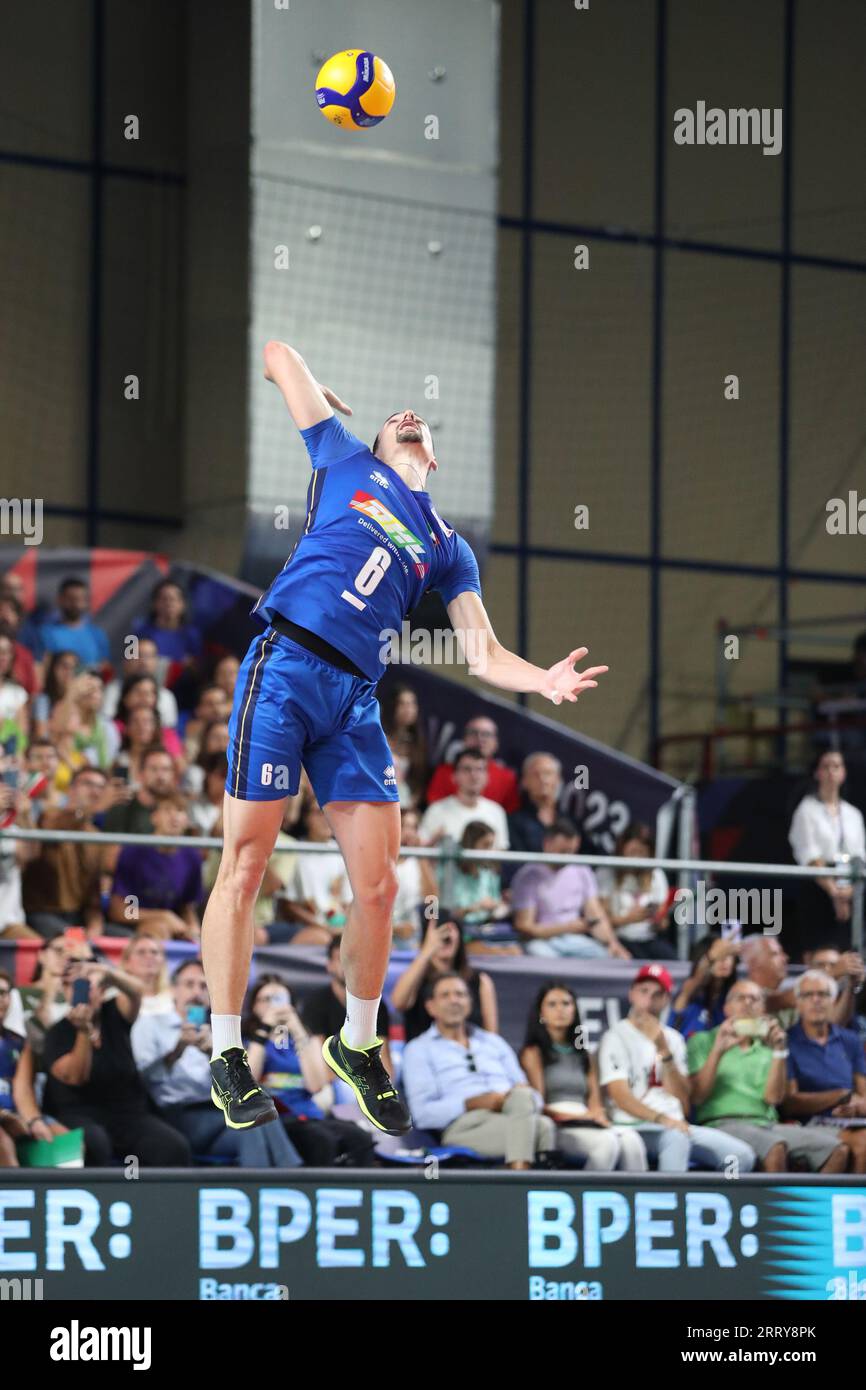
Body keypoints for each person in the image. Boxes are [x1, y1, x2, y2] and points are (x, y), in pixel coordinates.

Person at [201, 339, 607, 1137]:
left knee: (383, 887)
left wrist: (544, 681)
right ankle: (225, 1054)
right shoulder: (343, 458)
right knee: (245, 864)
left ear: (434, 458)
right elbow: (276, 354)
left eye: (419, 424)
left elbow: (483, 654)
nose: (411, 421)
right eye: (400, 419)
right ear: (381, 440)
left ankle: (358, 1043)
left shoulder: (448, 547)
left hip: (353, 700)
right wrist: (321, 390)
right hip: (284, 667)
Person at [132, 960, 300, 1168]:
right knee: (251, 1115)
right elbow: (139, 1081)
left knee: (255, 1120)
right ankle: (288, 1181)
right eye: (189, 984)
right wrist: (176, 1051)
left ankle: (272, 1185)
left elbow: (240, 1083)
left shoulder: (218, 1031)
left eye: (203, 986)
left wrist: (213, 1054)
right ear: (174, 989)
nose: (197, 992)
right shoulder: (151, 1024)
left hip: (218, 1111)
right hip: (177, 1114)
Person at [597, 964, 756, 1173]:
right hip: (634, 1126)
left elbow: (683, 1102)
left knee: (741, 1156)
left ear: (666, 1000)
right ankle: (668, 1204)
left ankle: (705, 1203)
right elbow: (621, 1098)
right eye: (643, 991)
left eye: (657, 994)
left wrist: (664, 1051)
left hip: (677, 1124)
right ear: (632, 994)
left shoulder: (673, 1038)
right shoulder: (615, 1036)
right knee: (676, 1140)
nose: (649, 1000)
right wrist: (663, 1120)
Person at [41, 952, 190, 1166]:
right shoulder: (58, 1033)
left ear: (102, 992)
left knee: (173, 1147)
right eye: (74, 987)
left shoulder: (115, 1014)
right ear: (66, 992)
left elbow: (137, 992)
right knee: (95, 1143)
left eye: (88, 986)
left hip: (128, 1113)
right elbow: (75, 1076)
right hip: (79, 1114)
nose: (81, 993)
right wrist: (84, 1032)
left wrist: (106, 972)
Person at [687, 977, 847, 1174]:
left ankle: (806, 1205)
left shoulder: (768, 1048)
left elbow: (773, 1098)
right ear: (726, 1008)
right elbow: (697, 1096)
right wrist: (718, 1051)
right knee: (775, 1147)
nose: (748, 1003)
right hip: (722, 1123)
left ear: (763, 1010)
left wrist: (779, 1050)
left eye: (755, 999)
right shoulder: (703, 1041)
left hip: (766, 1123)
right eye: (741, 998)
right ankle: (775, 1205)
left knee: (836, 1150)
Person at [402, 973, 556, 1168]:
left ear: (470, 1003)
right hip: (465, 1126)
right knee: (542, 1128)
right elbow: (423, 1115)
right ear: (430, 1006)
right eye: (446, 995)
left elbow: (535, 1098)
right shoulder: (418, 1049)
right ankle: (525, 1186)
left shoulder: (494, 1042)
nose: (454, 1000)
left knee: (528, 1103)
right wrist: (471, 1103)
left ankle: (518, 1175)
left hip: (512, 1113)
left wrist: (510, 1098)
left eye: (460, 994)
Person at [243, 975, 375, 1165]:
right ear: (254, 1007)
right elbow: (249, 1080)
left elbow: (316, 1086)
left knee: (360, 1137)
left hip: (308, 1115)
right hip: (275, 1121)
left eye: (279, 999)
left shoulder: (304, 1040)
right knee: (321, 1140)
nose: (274, 1006)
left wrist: (297, 1030)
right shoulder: (249, 1042)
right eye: (266, 1000)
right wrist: (265, 1028)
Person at [520, 982, 647, 1171]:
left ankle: (638, 1198)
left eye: (566, 1003)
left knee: (632, 1140)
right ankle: (589, 1198)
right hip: (557, 1125)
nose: (560, 1010)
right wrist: (575, 1116)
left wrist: (595, 1114)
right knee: (607, 1144)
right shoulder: (533, 1053)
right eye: (552, 1004)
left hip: (587, 1121)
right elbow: (537, 1105)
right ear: (541, 1013)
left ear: (574, 1010)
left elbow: (595, 1102)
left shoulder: (584, 1054)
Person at [784, 969, 866, 1173]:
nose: (816, 1001)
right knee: (863, 1143)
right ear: (797, 1003)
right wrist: (839, 1096)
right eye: (808, 995)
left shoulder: (849, 1040)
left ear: (833, 1001)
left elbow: (863, 1092)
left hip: (851, 1120)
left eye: (823, 994)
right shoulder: (786, 1041)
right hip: (808, 1123)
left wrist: (855, 1107)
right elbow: (790, 1102)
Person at [510, 818, 629, 958]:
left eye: (571, 851)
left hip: (575, 941)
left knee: (604, 956)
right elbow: (525, 927)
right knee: (542, 956)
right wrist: (567, 928)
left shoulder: (582, 870)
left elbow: (596, 914)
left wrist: (613, 944)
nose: (567, 857)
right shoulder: (529, 875)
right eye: (562, 852)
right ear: (547, 844)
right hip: (542, 942)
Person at [788, 750, 866, 954]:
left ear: (844, 773)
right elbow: (810, 856)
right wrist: (834, 893)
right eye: (826, 766)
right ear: (817, 773)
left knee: (849, 950)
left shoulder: (853, 814)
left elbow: (860, 855)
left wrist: (847, 892)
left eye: (837, 766)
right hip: (819, 885)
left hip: (848, 884)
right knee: (819, 949)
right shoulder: (807, 809)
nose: (831, 771)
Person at [22, 766, 107, 939]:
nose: (94, 791)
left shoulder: (97, 837)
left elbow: (94, 892)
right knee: (73, 942)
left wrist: (95, 923)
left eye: (100, 787)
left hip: (77, 917)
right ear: (71, 788)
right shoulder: (49, 815)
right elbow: (60, 825)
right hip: (41, 913)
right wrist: (90, 810)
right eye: (88, 784)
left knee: (124, 938)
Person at [108, 794, 203, 940]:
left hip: (174, 926)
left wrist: (193, 928)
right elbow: (120, 911)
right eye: (167, 810)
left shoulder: (192, 856)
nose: (174, 816)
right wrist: (163, 916)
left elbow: (187, 906)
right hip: (133, 924)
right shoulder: (133, 851)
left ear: (187, 820)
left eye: (179, 810)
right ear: (154, 817)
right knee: (158, 929)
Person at [391, 914, 498, 1042]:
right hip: (425, 1057)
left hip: (471, 1055)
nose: (444, 936)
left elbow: (492, 1037)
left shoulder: (480, 980)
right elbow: (398, 1002)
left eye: (451, 930)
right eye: (439, 932)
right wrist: (427, 950)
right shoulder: (416, 979)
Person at [301, 935, 393, 1074]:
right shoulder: (315, 1003)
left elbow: (385, 1064)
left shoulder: (376, 1004)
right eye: (341, 959)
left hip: (366, 1079)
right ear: (330, 965)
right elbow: (320, 1066)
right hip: (332, 1080)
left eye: (355, 960)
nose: (349, 966)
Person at [595, 822, 676, 961]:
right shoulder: (605, 873)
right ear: (622, 849)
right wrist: (628, 919)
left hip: (649, 939)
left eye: (642, 853)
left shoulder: (656, 874)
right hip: (618, 939)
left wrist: (659, 922)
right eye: (632, 852)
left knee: (672, 958)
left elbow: (663, 921)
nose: (637, 858)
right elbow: (599, 920)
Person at [425, 715, 520, 812]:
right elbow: (434, 808)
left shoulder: (507, 778)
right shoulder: (443, 772)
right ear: (464, 739)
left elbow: (510, 814)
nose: (480, 739)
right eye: (473, 733)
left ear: (496, 743)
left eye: (486, 734)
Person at [419, 748, 510, 849]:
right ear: (454, 776)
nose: (474, 775)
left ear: (487, 777)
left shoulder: (496, 811)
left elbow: (500, 852)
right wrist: (433, 841)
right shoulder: (436, 810)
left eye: (479, 769)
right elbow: (422, 853)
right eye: (467, 769)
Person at [450, 820, 511, 941]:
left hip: (486, 928)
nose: (490, 851)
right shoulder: (450, 873)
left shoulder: (490, 872)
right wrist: (474, 907)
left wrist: (500, 906)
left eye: (491, 845)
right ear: (471, 844)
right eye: (485, 845)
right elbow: (443, 914)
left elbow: (496, 905)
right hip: (460, 931)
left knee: (514, 949)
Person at [31, 578, 110, 669]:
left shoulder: (97, 634)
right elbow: (41, 667)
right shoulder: (46, 633)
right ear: (60, 599)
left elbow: (105, 667)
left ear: (86, 602)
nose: (75, 604)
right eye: (71, 599)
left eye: (80, 599)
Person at [103, 636, 179, 729]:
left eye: (149, 656)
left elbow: (169, 732)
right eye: (137, 655)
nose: (143, 662)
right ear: (126, 661)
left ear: (156, 662)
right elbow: (107, 725)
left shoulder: (167, 697)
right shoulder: (113, 691)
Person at [672, 935, 738, 1037]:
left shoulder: (733, 996)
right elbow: (695, 980)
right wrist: (710, 958)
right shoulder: (690, 992)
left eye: (728, 954)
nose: (723, 959)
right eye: (719, 954)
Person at [392, 806, 438, 944]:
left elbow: (433, 899)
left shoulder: (417, 863)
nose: (409, 832)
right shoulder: (378, 861)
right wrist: (395, 929)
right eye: (404, 826)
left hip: (413, 937)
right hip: (383, 934)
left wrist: (421, 856)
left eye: (414, 828)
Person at [380, 682, 429, 809]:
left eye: (412, 704)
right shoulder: (379, 735)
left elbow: (418, 781)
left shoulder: (417, 743)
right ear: (392, 706)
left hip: (402, 802)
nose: (408, 709)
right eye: (402, 704)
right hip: (376, 793)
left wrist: (411, 805)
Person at [508, 753, 563, 857]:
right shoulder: (513, 822)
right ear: (524, 781)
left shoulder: (571, 821)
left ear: (558, 779)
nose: (543, 779)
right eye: (536, 774)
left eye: (548, 773)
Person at [0, 969, 27, 1166]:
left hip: (18, 1116)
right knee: (3, 1142)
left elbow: (25, 1090)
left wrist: (34, 1120)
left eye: (3, 993)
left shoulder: (18, 1041)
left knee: (64, 1141)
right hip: (3, 1120)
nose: (0, 999)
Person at [119, 932, 173, 1015]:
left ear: (162, 960)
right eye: (141, 952)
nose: (149, 956)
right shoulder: (115, 998)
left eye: (154, 952)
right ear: (127, 962)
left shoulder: (174, 997)